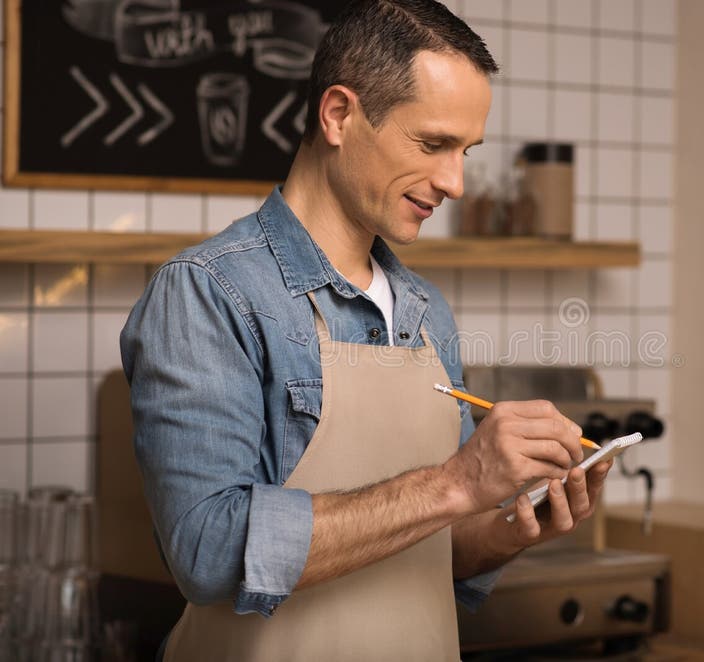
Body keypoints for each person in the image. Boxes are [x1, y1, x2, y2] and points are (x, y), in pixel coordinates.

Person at [120, 1, 613, 660]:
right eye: (433, 144)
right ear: (338, 115)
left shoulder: (427, 313)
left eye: (466, 152)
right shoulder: (209, 293)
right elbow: (207, 553)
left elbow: (433, 547)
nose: (455, 183)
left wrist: (511, 526)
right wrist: (456, 483)